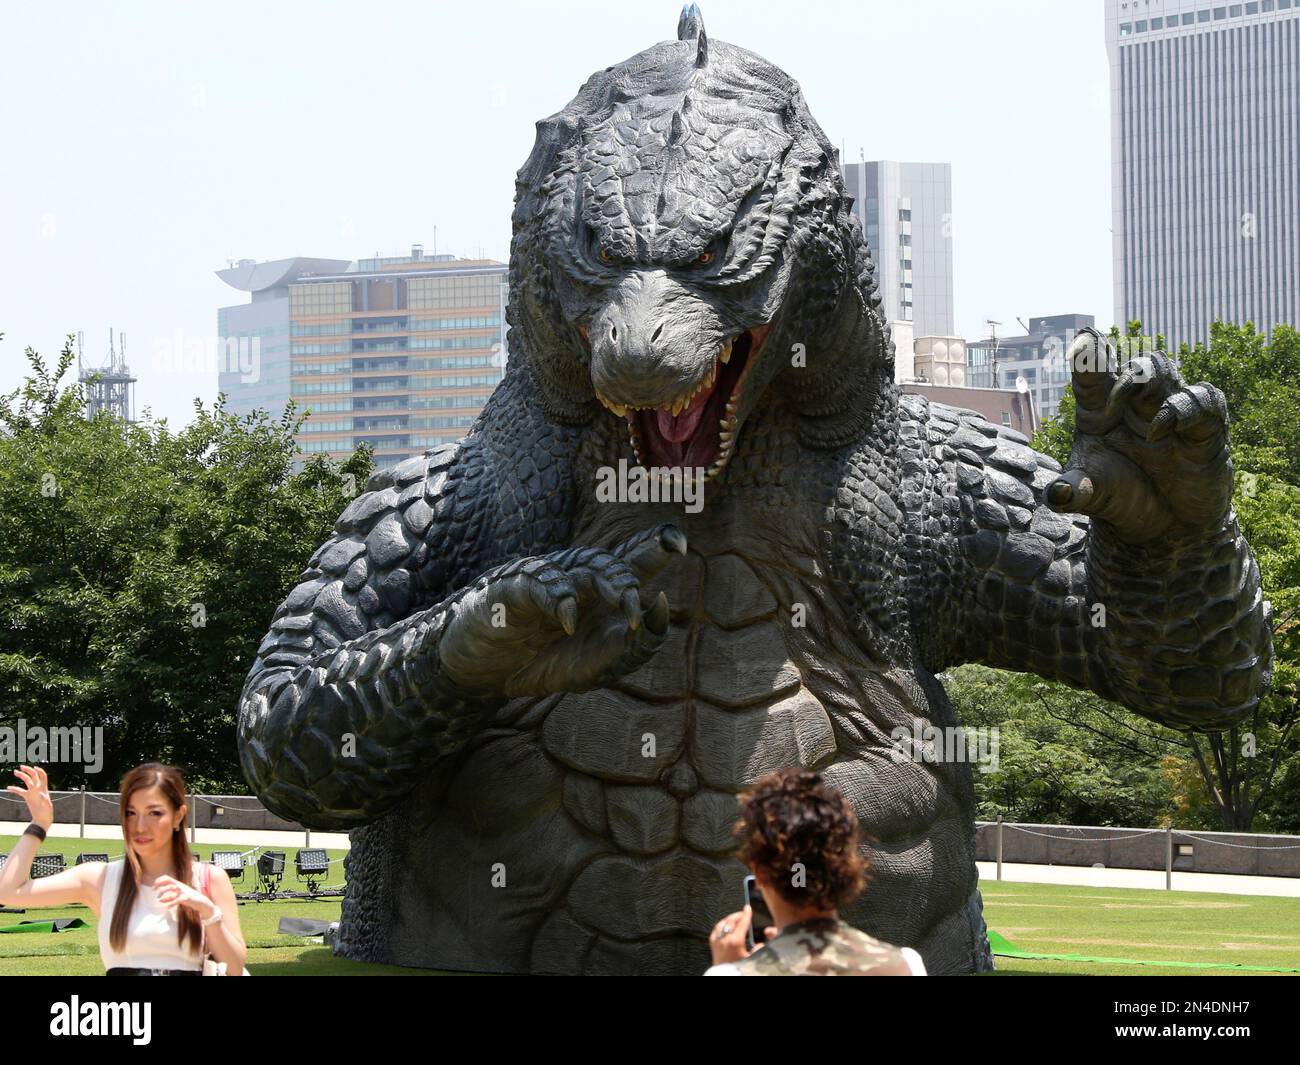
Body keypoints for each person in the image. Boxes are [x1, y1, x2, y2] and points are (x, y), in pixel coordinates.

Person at [0, 763, 247, 975]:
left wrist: (207, 912)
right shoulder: (99, 878)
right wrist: (39, 824)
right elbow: (8, 892)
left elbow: (234, 968)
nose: (140, 826)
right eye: (131, 813)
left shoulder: (209, 879)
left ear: (178, 816)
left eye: (154, 813)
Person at [705, 767, 926, 976]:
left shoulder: (732, 973)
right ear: (847, 863)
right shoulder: (906, 964)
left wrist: (728, 967)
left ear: (760, 872)